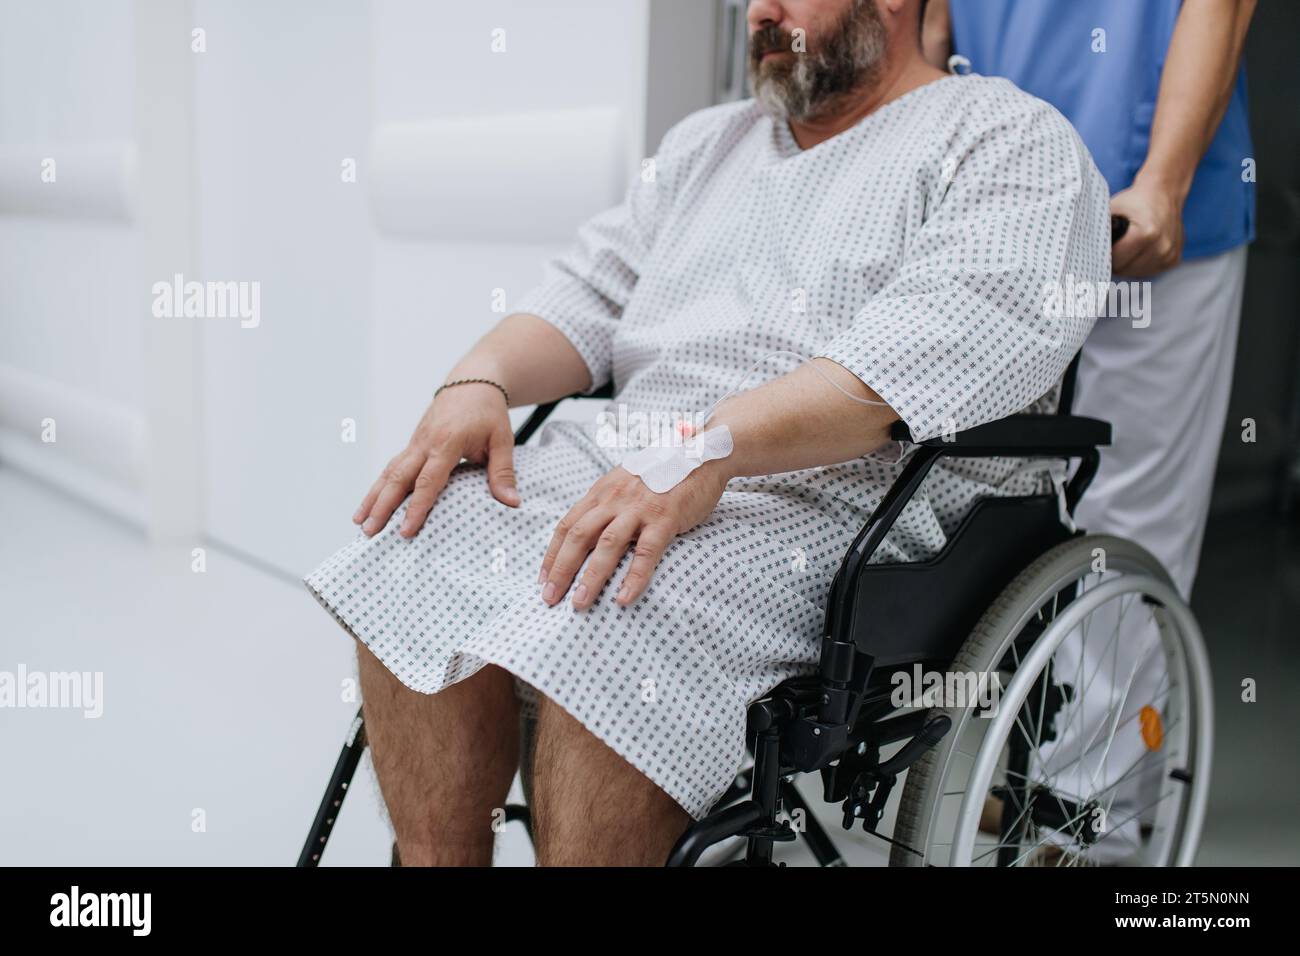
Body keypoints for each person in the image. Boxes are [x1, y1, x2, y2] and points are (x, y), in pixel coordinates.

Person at [303, 0, 1110, 866]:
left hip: (843, 500)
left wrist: (709, 448)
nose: (762, 8)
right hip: (643, 462)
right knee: (421, 531)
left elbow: (913, 365)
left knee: (612, 601)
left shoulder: (1009, 141)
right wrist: (477, 379)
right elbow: (586, 294)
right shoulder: (708, 146)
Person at [924, 0, 1256, 861]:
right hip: (998, 209)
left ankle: (1085, 823)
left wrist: (1168, 181)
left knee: (1126, 525)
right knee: (971, 498)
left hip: (1144, 212)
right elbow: (922, 23)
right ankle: (1017, 770)